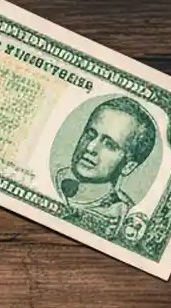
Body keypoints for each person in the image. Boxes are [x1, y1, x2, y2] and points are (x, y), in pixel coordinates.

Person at [54, 96, 157, 230]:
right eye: (90, 134)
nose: (90, 147)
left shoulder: (121, 218)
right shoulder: (54, 179)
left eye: (109, 145)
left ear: (128, 166)